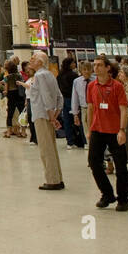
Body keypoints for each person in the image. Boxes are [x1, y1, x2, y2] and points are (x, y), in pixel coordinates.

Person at [86, 55, 128, 210]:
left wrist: (122, 130)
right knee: (93, 162)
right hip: (97, 129)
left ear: (107, 68)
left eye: (99, 65)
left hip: (114, 131)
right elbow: (90, 108)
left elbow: (123, 109)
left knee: (121, 166)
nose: (96, 67)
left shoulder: (117, 86)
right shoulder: (92, 86)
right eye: (95, 65)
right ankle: (107, 194)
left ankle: (123, 199)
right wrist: (89, 129)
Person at [27, 53, 65, 190]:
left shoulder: (39, 76)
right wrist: (56, 113)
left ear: (40, 62)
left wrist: (52, 117)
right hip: (48, 115)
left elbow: (46, 97)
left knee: (46, 149)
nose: (30, 60)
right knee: (52, 147)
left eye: (33, 58)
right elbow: (59, 97)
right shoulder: (49, 74)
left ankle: (52, 180)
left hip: (42, 116)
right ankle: (57, 177)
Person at [57, 57, 83, 149]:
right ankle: (82, 140)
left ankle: (70, 141)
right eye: (73, 63)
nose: (74, 64)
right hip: (72, 99)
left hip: (63, 99)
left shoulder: (59, 75)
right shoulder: (74, 75)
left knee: (67, 121)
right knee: (78, 119)